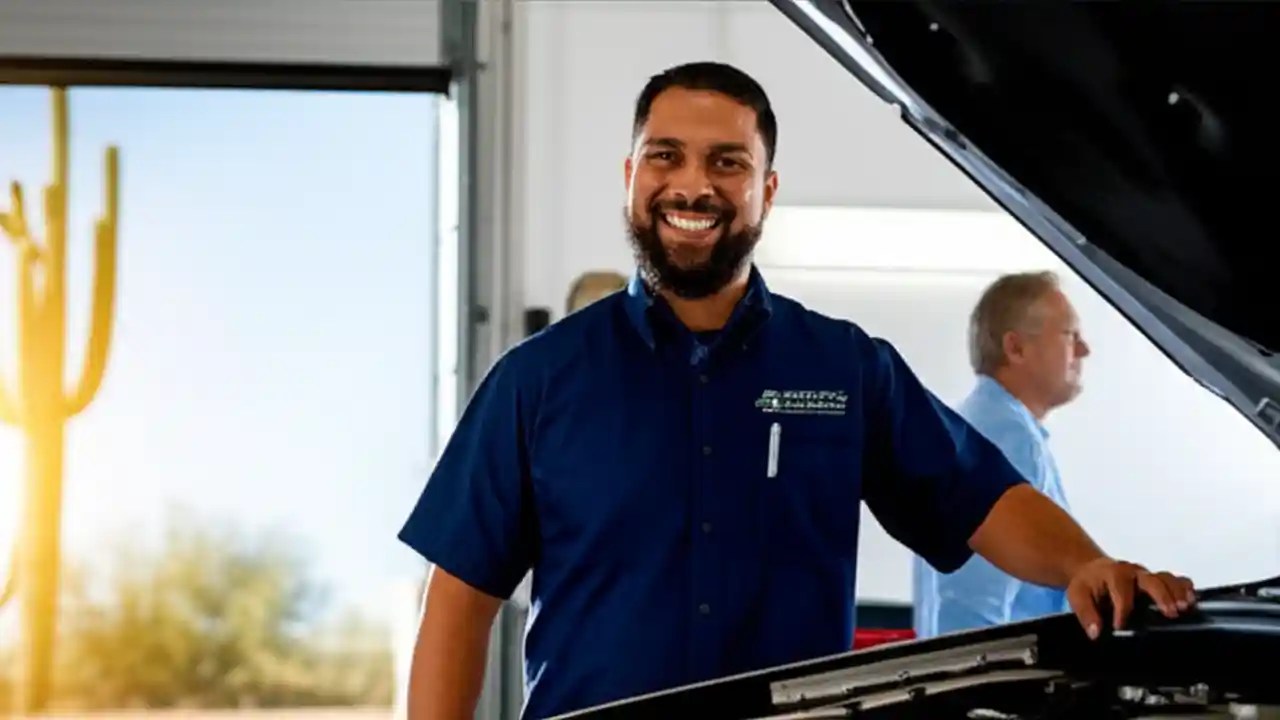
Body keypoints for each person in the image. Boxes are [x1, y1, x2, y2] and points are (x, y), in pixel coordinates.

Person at [397, 61, 1196, 720]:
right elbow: (459, 602)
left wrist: (1085, 563)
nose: (693, 186)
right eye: (666, 156)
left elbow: (980, 498)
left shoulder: (844, 369)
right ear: (631, 174)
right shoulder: (538, 381)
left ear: (766, 189)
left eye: (728, 162)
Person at [913, 271, 1089, 638]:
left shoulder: (970, 424)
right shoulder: (1007, 438)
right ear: (1016, 348)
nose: (1084, 350)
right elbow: (973, 609)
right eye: (1070, 335)